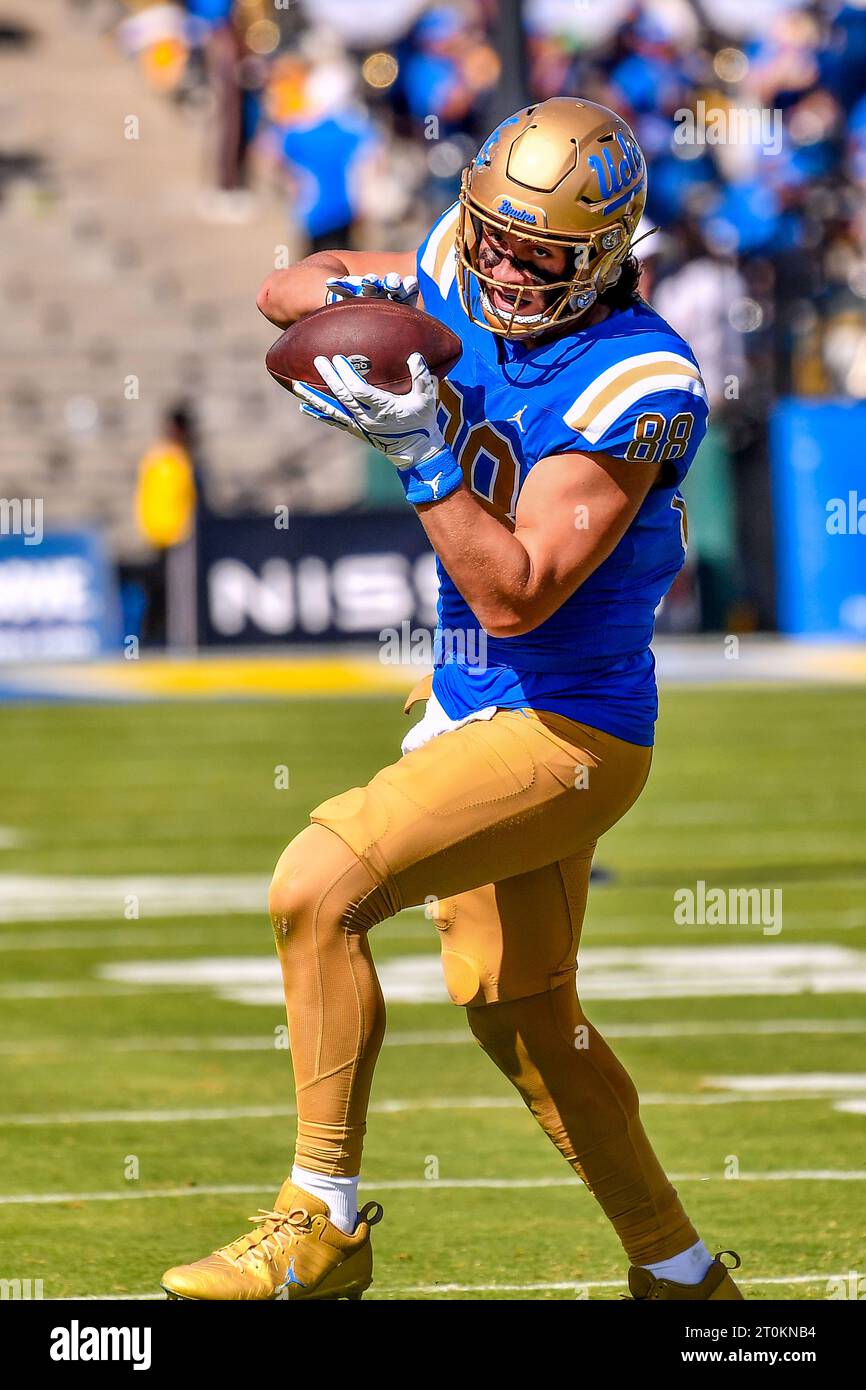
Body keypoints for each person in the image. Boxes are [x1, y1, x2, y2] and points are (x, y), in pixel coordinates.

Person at [161, 97, 743, 1302]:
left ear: (605, 254)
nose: (503, 269)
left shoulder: (636, 377)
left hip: (565, 723)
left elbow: (518, 591)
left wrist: (423, 444)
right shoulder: (456, 263)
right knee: (523, 1018)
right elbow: (296, 285)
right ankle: (684, 1282)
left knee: (317, 886)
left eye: (538, 253)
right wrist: (350, 326)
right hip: (477, 702)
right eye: (491, 236)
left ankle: (317, 1219)